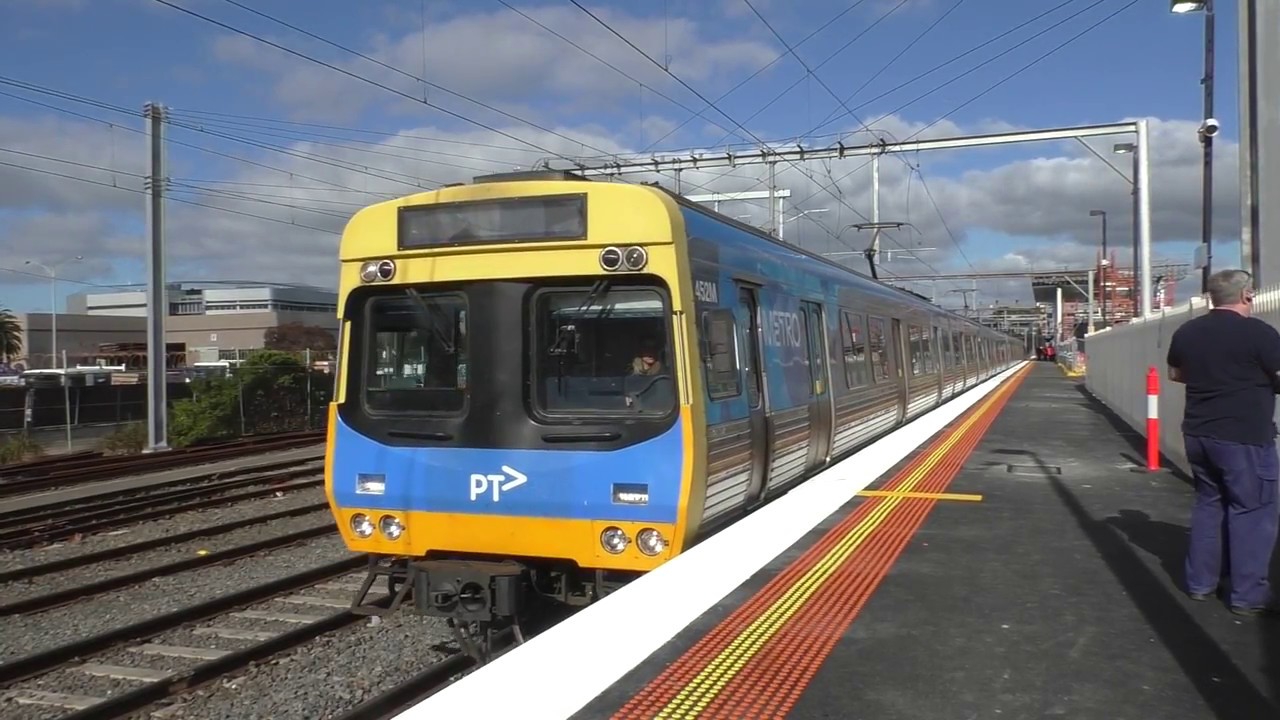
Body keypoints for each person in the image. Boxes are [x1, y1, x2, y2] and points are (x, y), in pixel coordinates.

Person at [1166, 268, 1280, 617]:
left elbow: (1175, 373)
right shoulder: (1259, 333)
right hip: (1244, 436)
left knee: (1209, 504)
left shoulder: (1188, 331)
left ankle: (1201, 583)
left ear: (1211, 298)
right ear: (1247, 295)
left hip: (1198, 433)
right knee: (1252, 510)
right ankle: (1248, 595)